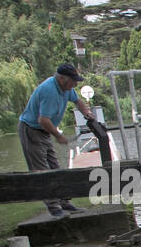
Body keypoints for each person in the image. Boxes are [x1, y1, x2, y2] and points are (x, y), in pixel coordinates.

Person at [18, 63, 94, 217]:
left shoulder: (66, 89)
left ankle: (65, 202)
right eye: (73, 81)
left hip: (44, 131)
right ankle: (54, 208)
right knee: (41, 171)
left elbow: (77, 100)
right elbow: (43, 120)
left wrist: (86, 112)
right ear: (62, 78)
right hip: (32, 130)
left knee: (55, 167)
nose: (75, 84)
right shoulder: (50, 91)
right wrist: (58, 136)